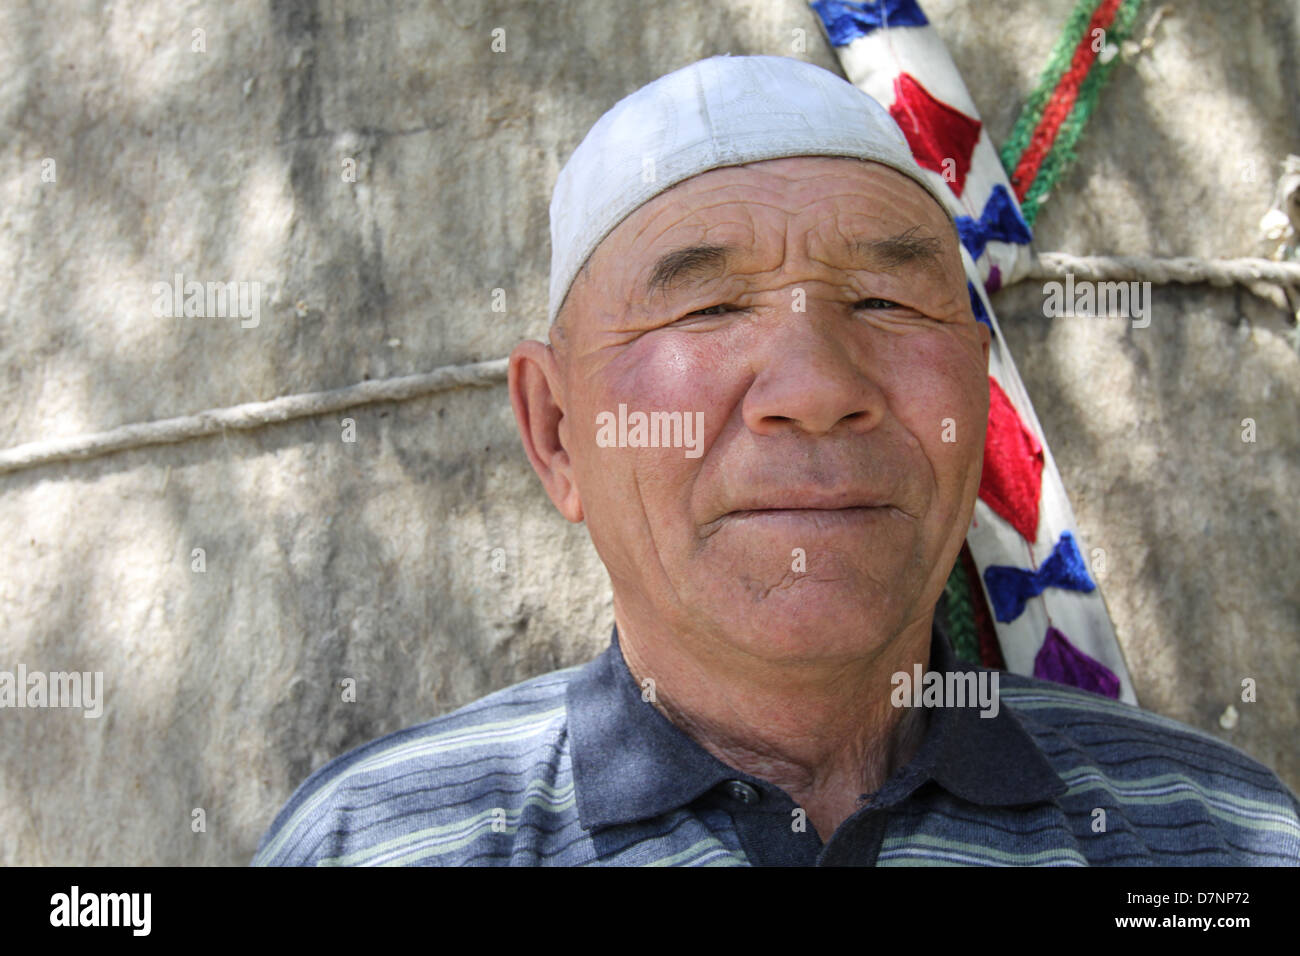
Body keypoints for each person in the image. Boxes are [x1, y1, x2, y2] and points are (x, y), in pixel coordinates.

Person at [252, 54, 1300, 866]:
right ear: (557, 430)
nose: (814, 387)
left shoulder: (1208, 835)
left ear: (976, 400)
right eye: (706, 307)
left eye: (886, 301)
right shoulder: (375, 845)